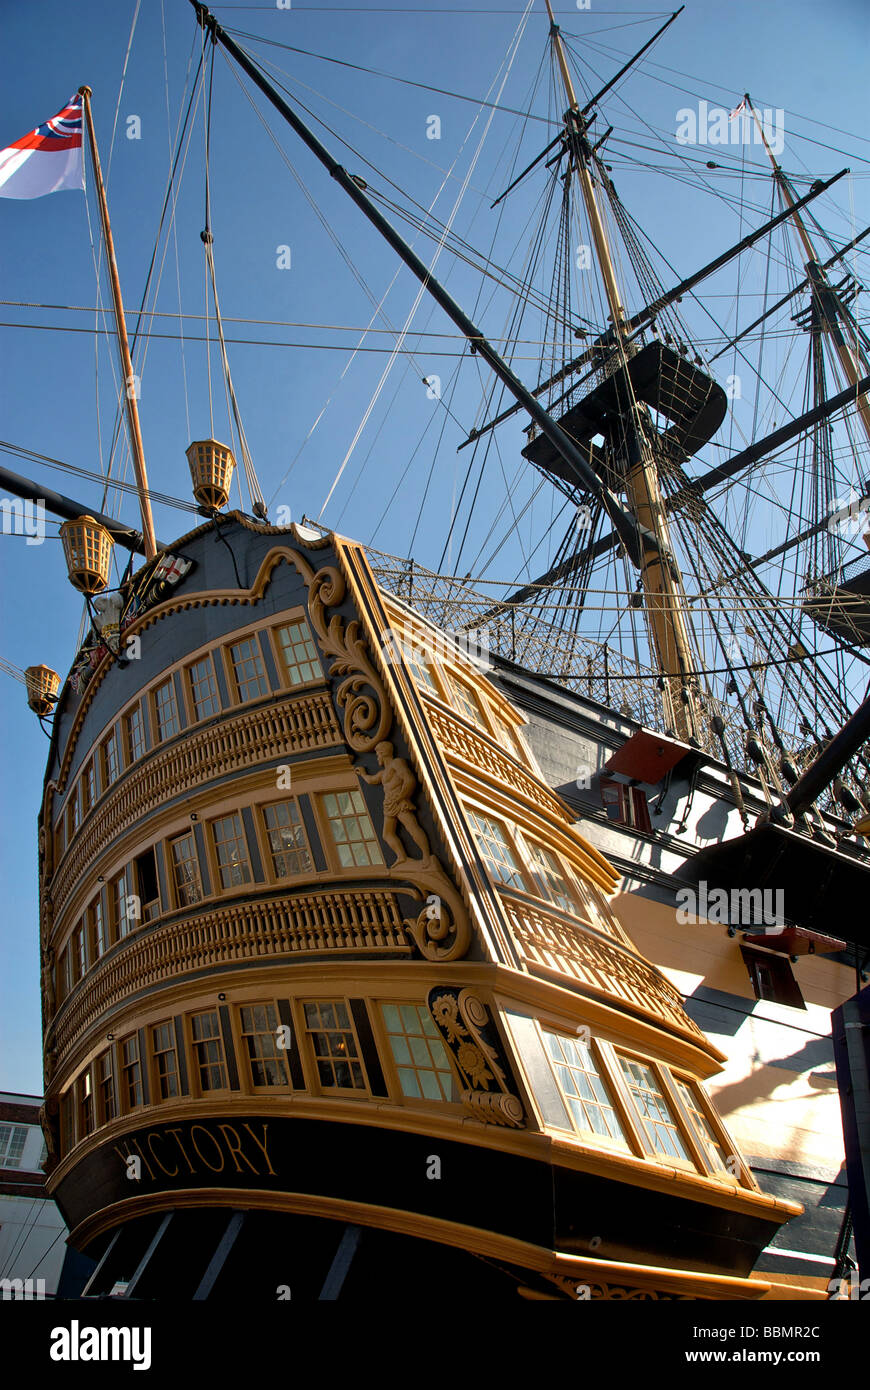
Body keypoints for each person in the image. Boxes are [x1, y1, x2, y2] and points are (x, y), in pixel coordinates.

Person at [356, 740, 431, 864]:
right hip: (389, 804)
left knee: (412, 827)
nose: (377, 758)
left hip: (400, 801)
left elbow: (409, 780)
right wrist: (363, 774)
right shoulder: (383, 773)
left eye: (378, 754)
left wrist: (402, 797)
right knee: (387, 834)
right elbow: (372, 780)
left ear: (383, 753)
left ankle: (427, 856)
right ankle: (402, 857)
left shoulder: (396, 763)